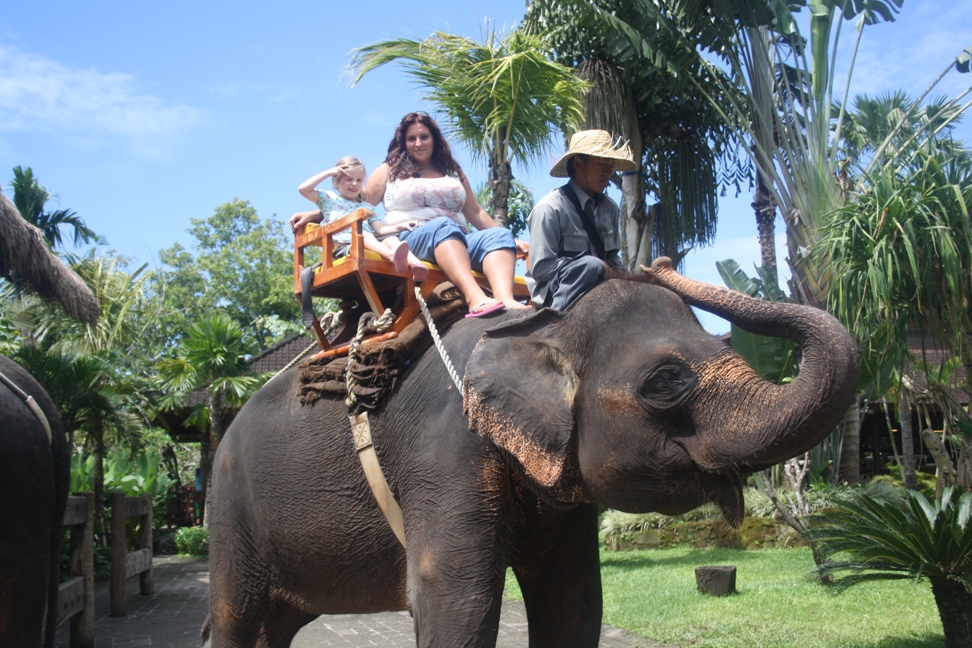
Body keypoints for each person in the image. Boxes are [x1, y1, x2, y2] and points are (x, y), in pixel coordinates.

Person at [360, 112, 529, 317]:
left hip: (457, 238)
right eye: (411, 139)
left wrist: (512, 238)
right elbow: (359, 206)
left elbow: (475, 212)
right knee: (443, 226)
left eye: (424, 137)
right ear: (403, 143)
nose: (418, 143)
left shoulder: (452, 170)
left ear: (434, 138)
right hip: (411, 238)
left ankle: (506, 300)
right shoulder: (389, 170)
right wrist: (320, 212)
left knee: (501, 235)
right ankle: (474, 298)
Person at [525, 130, 637, 311]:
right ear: (578, 163)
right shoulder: (549, 208)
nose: (608, 172)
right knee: (591, 265)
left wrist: (619, 271)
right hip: (554, 292)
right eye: (601, 164)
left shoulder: (610, 208)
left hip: (599, 287)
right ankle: (556, 324)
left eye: (610, 165)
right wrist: (595, 266)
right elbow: (541, 269)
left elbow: (612, 257)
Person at [289, 156, 428, 282]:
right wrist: (328, 173)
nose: (354, 184)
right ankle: (393, 257)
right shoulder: (329, 199)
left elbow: (380, 229)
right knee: (363, 236)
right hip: (345, 248)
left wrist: (401, 226)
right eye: (349, 179)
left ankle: (416, 265)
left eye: (359, 180)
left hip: (369, 244)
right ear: (337, 181)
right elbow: (303, 189)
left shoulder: (367, 207)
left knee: (391, 239)